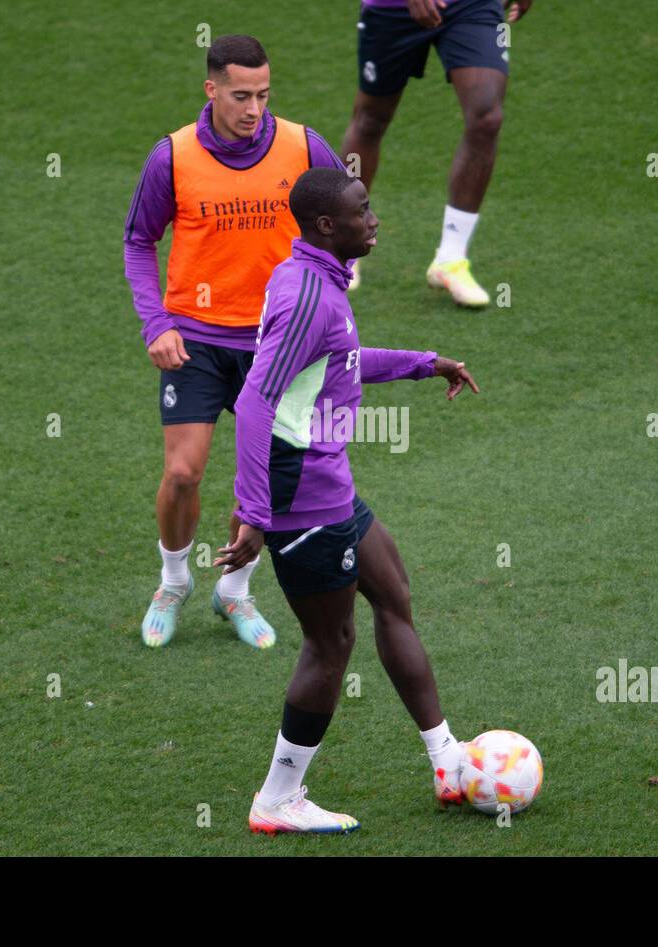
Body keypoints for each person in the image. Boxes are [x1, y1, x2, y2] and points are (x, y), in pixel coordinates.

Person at [215, 167, 480, 833]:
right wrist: (254, 514)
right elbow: (254, 401)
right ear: (328, 226)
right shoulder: (310, 296)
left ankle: (445, 757)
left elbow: (341, 361)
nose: (376, 218)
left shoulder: (313, 278)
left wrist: (425, 362)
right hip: (301, 496)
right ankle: (278, 798)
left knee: (393, 590)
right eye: (364, 211)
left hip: (329, 485)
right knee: (330, 643)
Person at [124, 35, 346, 649]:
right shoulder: (173, 155)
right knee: (184, 472)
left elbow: (345, 219)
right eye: (242, 95)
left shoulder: (303, 146)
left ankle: (235, 592)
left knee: (269, 479)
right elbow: (139, 241)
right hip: (194, 341)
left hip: (277, 344)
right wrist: (156, 322)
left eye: (264, 95)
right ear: (212, 89)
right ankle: (173, 582)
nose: (254, 109)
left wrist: (328, 300)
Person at [339, 0, 534, 306]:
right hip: (392, 9)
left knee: (487, 118)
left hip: (473, 6)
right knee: (371, 120)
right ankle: (344, 245)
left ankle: (451, 258)